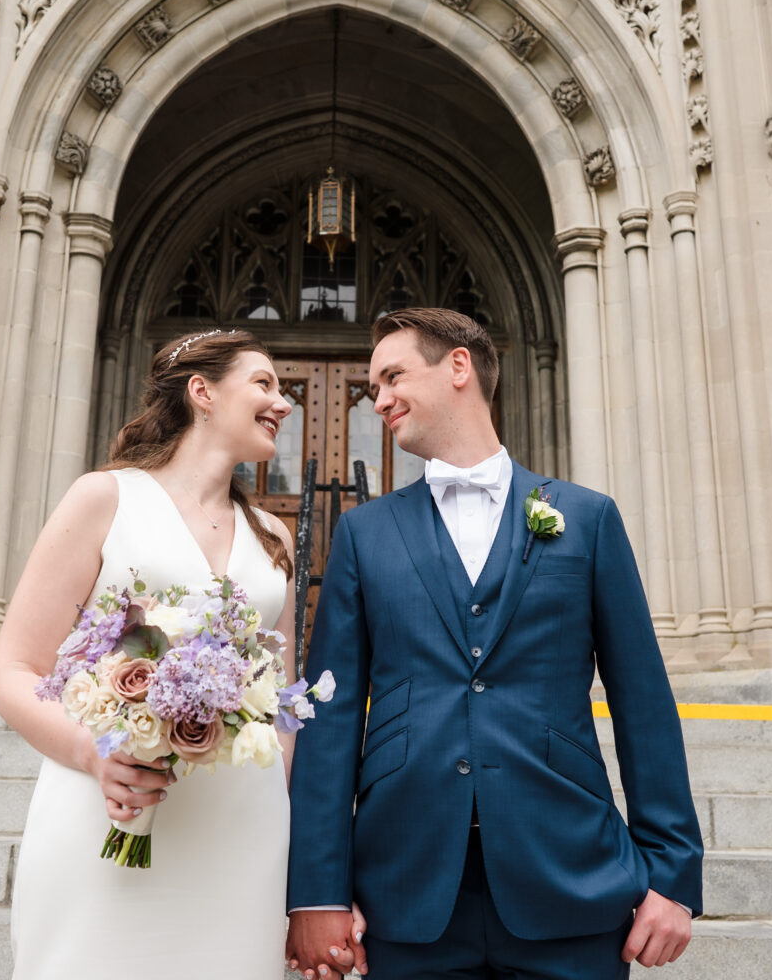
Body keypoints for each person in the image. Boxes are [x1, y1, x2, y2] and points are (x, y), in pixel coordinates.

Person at [286, 309, 703, 980]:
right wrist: (317, 890)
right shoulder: (365, 533)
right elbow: (329, 718)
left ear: (459, 367)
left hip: (571, 881)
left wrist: (674, 875)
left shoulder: (586, 518)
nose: (379, 397)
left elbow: (643, 702)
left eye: (393, 376)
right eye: (375, 384)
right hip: (405, 890)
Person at [0, 329, 351, 979]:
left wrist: (306, 863)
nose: (284, 402)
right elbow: (13, 671)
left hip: (244, 830)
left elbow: (285, 709)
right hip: (107, 810)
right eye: (264, 384)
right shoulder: (105, 497)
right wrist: (95, 759)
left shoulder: (273, 535)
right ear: (202, 392)